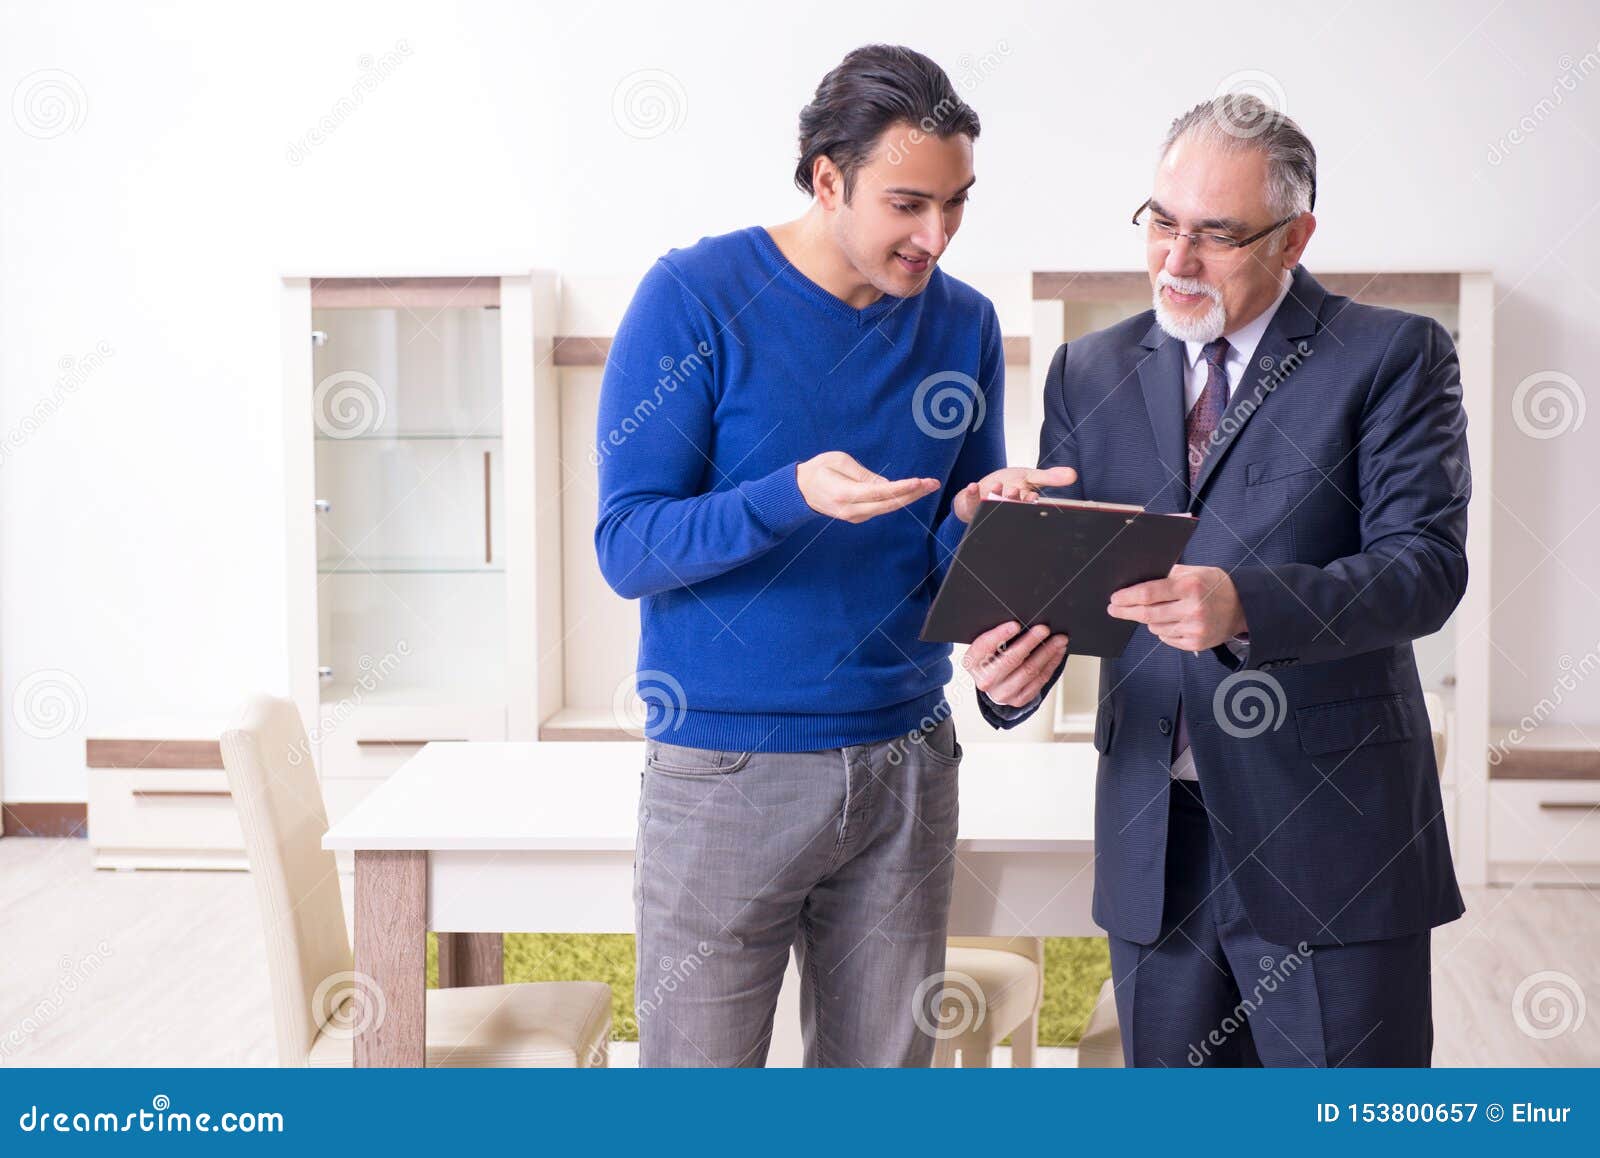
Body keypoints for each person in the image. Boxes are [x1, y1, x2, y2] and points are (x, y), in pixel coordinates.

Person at [594, 43, 1070, 1067]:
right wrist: (787, 495)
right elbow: (627, 545)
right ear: (825, 176)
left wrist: (988, 530)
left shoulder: (963, 326)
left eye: (955, 205)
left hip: (906, 764)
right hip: (726, 772)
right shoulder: (695, 297)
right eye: (907, 204)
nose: (933, 236)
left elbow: (953, 572)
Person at [972, 94, 1467, 1066]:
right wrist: (1008, 668)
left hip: (1331, 846)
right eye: (1159, 222)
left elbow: (1423, 572)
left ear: (1295, 238)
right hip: (1155, 848)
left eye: (1214, 235)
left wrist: (1246, 605)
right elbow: (1069, 585)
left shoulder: (1390, 357)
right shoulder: (1087, 370)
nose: (1174, 260)